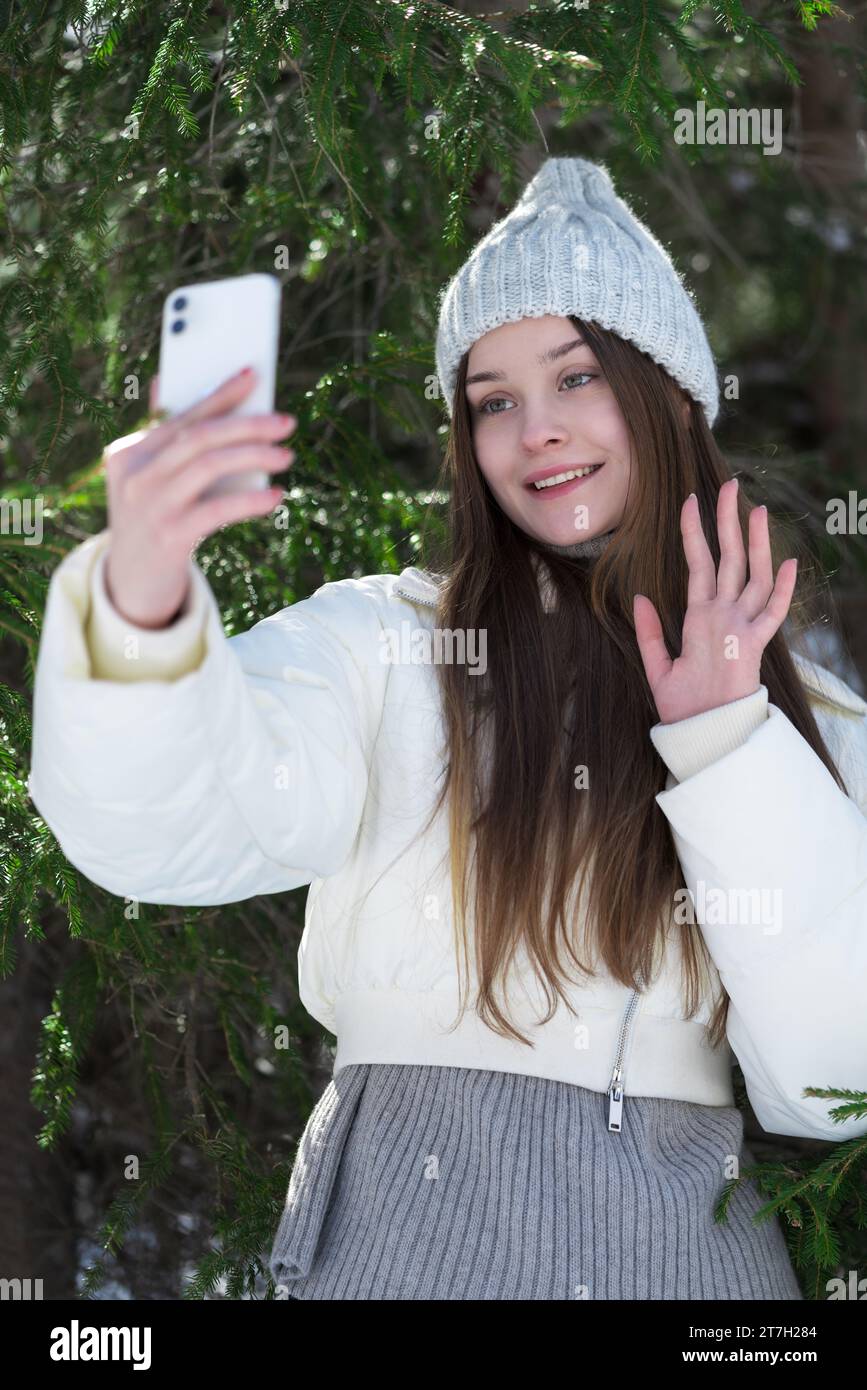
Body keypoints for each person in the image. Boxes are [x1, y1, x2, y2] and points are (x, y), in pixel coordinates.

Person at [28, 157, 867, 1301]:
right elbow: (164, 828)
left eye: (579, 376)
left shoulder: (800, 703)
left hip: (686, 1268)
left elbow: (837, 1076)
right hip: (400, 1248)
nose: (538, 432)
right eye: (495, 400)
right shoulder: (384, 644)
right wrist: (141, 598)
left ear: (673, 393)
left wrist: (727, 740)